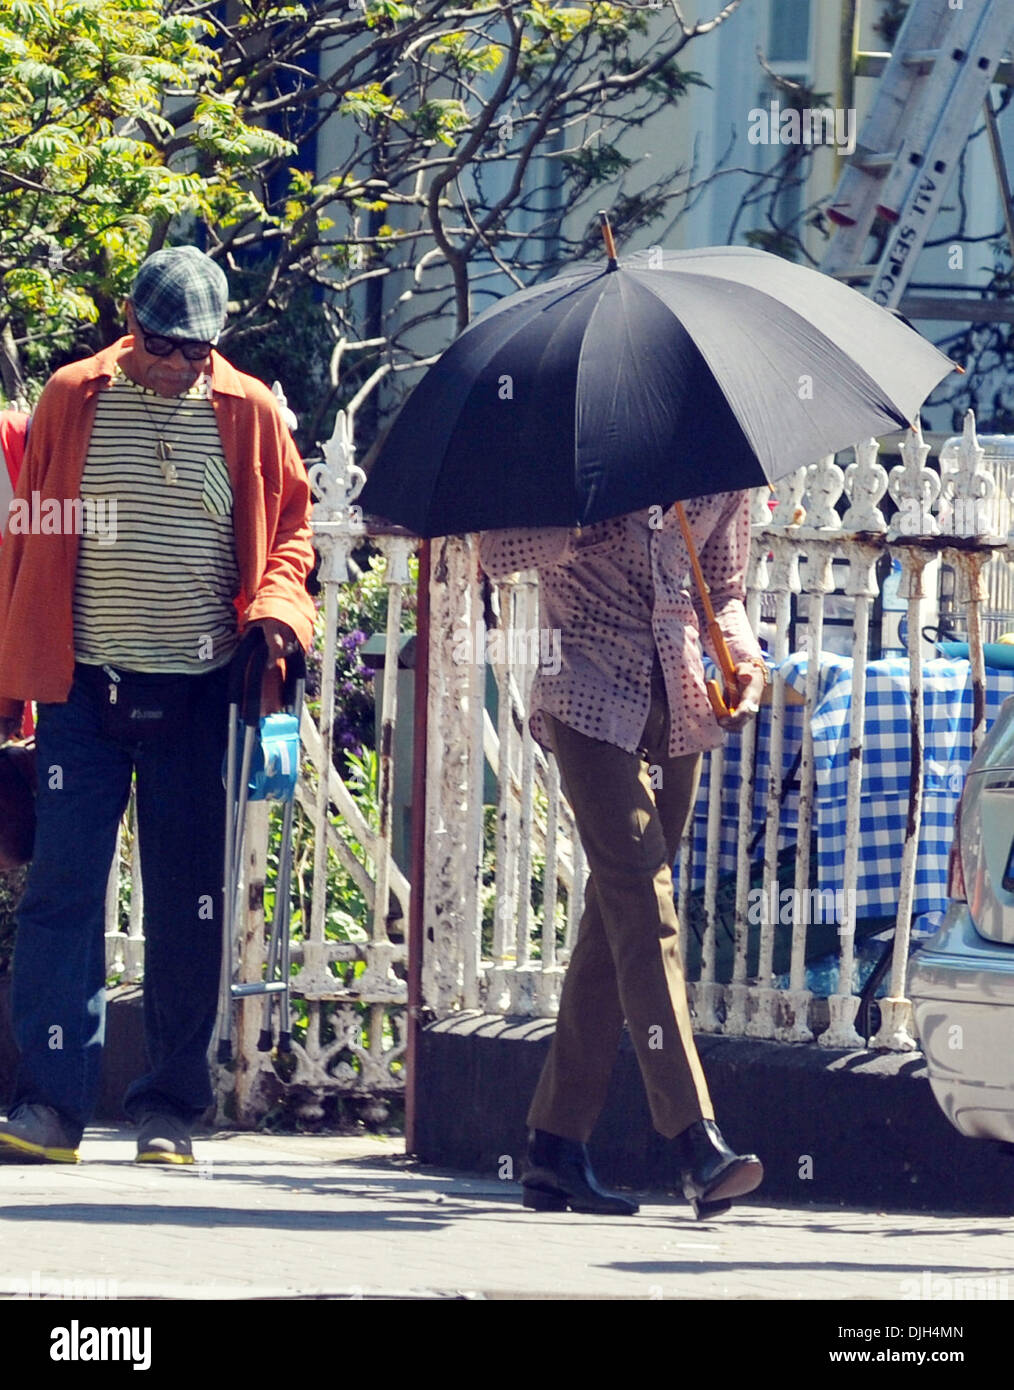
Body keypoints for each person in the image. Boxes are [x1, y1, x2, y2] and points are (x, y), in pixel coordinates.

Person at [0, 245, 316, 1165]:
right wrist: (14, 677)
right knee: (61, 895)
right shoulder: (73, 396)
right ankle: (49, 1106)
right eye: (163, 345)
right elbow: (31, 528)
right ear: (131, 324)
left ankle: (169, 1109)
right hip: (82, 686)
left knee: (190, 902)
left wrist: (276, 609)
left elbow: (293, 532)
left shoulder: (249, 410)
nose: (178, 365)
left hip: (197, 689)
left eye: (196, 350)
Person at [480, 493, 767, 1219]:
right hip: (586, 693)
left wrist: (744, 662)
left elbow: (724, 591)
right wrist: (581, 524)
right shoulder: (578, 467)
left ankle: (554, 1147)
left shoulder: (722, 471)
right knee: (643, 899)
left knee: (615, 918)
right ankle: (695, 1140)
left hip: (680, 706)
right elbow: (497, 552)